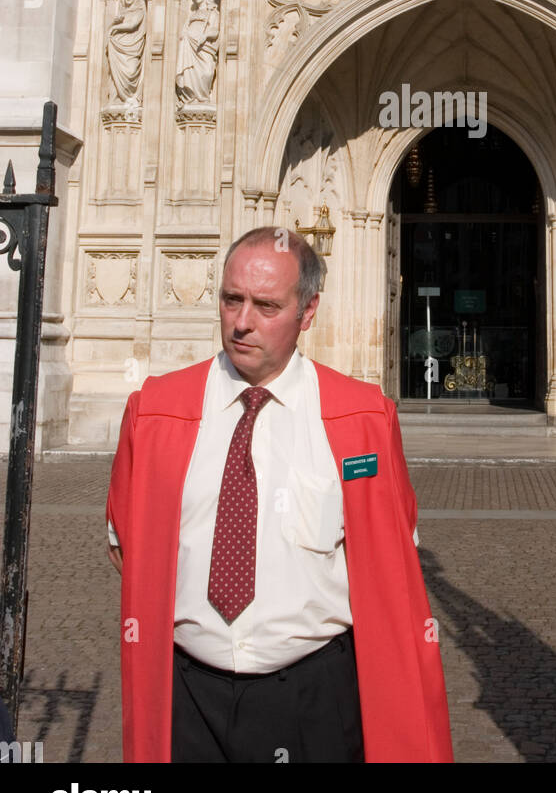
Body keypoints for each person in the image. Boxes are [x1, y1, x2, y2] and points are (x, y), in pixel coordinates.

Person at [106, 226, 453, 764]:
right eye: (231, 299)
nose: (242, 322)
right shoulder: (154, 412)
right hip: (185, 697)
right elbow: (127, 545)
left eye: (266, 305)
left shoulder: (362, 419)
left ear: (308, 312)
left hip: (312, 698)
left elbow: (391, 558)